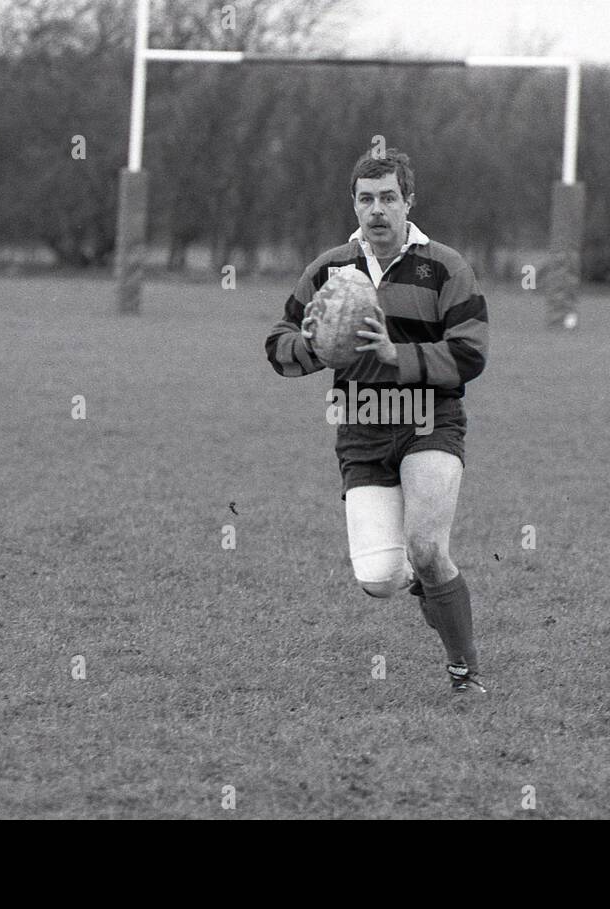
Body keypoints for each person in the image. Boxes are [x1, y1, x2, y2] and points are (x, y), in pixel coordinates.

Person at [264, 148, 490, 694]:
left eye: (389, 197)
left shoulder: (446, 267)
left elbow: (472, 353)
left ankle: (464, 675)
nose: (377, 210)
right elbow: (277, 346)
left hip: (429, 419)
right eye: (366, 199)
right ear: (355, 205)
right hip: (361, 428)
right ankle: (423, 584)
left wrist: (398, 356)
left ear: (409, 202)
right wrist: (319, 348)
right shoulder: (328, 269)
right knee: (379, 580)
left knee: (429, 547)